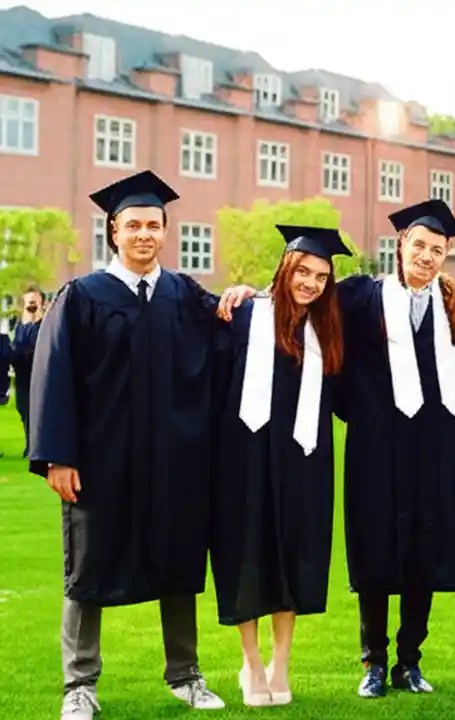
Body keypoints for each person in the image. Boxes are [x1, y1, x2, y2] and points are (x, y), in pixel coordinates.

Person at [219, 199, 455, 699]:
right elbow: (304, 307)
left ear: (446, 255)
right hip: (374, 449)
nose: (426, 256)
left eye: (437, 249)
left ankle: (410, 660)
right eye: (419, 245)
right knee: (375, 551)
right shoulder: (361, 295)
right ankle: (374, 661)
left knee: (423, 552)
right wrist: (249, 293)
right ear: (401, 245)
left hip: (434, 452)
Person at [29, 170, 225, 719]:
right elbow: (53, 376)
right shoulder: (82, 296)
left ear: (165, 230)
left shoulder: (184, 294)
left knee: (178, 562)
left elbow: (231, 333)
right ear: (113, 231)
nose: (144, 234)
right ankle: (79, 684)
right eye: (133, 225)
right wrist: (58, 455)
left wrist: (240, 296)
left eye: (153, 225)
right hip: (100, 462)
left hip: (173, 461)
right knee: (87, 568)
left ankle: (185, 674)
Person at [210, 225, 350, 707]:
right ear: (285, 270)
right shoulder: (244, 315)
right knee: (246, 553)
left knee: (293, 555)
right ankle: (251, 663)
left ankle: (281, 663)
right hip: (244, 458)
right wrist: (239, 291)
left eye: (321, 277)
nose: (311, 283)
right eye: (303, 272)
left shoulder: (325, 332)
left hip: (303, 460)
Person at [11, 286, 44, 457]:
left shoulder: (45, 326)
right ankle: (30, 444)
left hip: (39, 376)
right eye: (28, 302)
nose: (30, 305)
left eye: (34, 302)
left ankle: (36, 446)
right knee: (24, 410)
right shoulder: (20, 327)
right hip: (22, 377)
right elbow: (16, 348)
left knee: (38, 412)